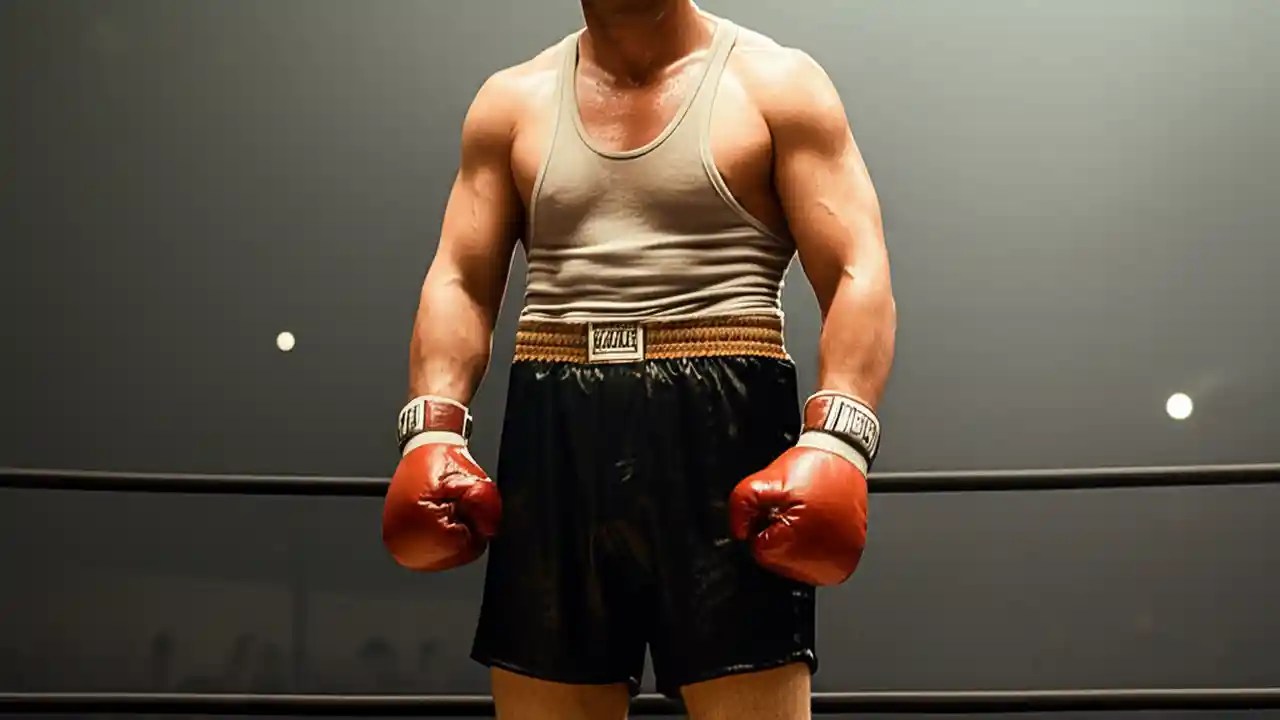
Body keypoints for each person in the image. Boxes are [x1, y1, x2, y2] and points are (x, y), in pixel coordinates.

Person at [381, 1, 896, 718]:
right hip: (556, 429)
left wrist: (839, 440)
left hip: (724, 424)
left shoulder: (776, 83)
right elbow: (460, 279)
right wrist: (431, 429)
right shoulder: (512, 101)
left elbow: (856, 269)